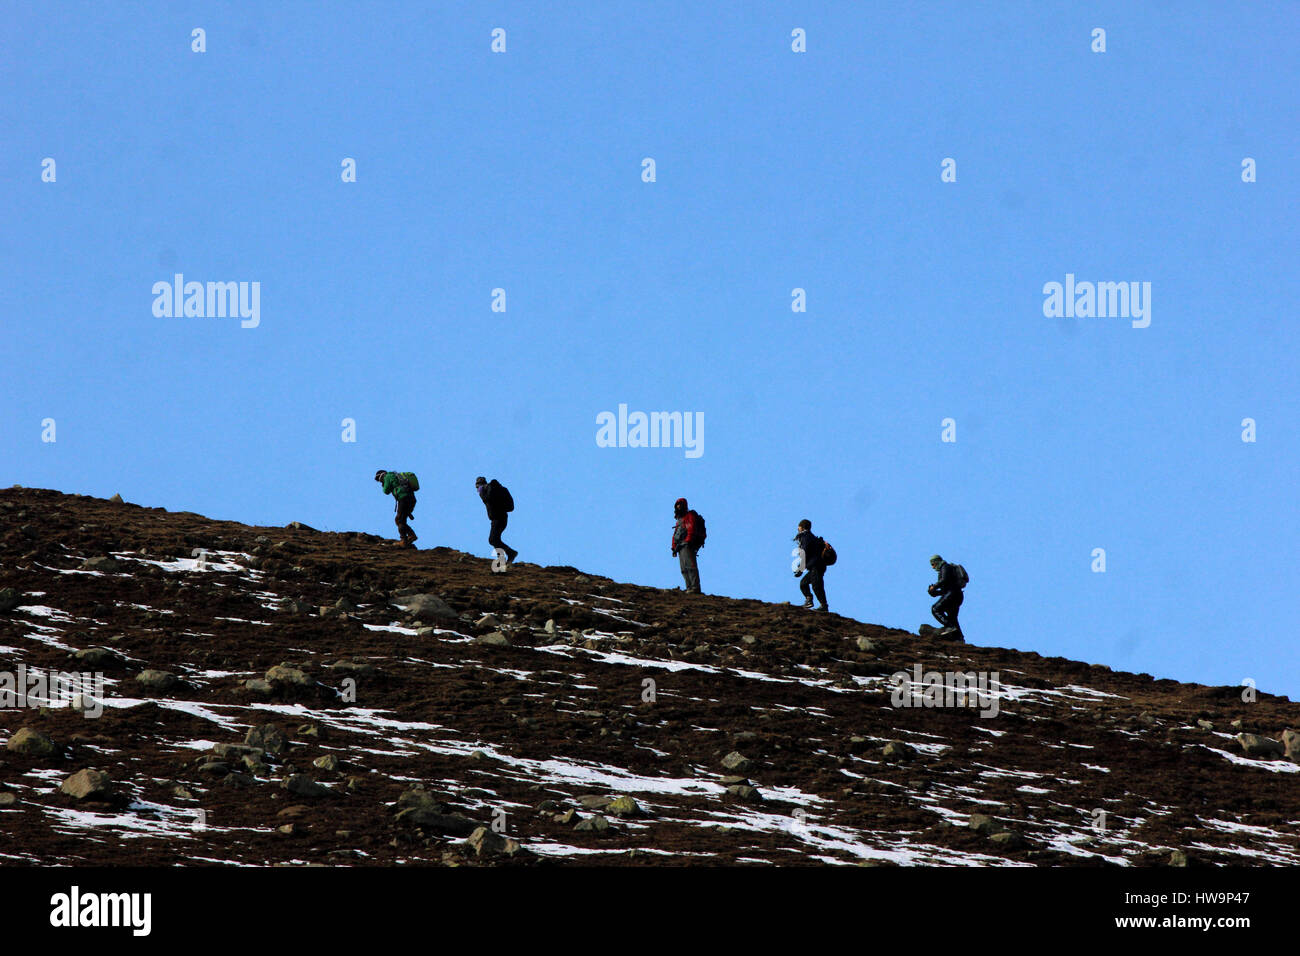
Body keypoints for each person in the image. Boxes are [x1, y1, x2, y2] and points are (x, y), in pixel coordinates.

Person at [476, 476, 517, 564]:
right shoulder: (496, 489)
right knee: (495, 539)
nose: (477, 490)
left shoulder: (485, 490)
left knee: (493, 539)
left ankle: (510, 553)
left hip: (498, 518)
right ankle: (502, 559)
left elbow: (487, 499)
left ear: (481, 485)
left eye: (477, 487)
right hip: (501, 518)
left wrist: (481, 491)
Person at [793, 519, 829, 612]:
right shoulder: (811, 537)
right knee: (804, 583)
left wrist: (800, 569)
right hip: (816, 565)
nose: (797, 529)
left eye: (798, 527)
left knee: (817, 586)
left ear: (801, 527)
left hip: (816, 566)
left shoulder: (805, 536)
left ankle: (823, 606)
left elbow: (805, 553)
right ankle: (809, 601)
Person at [375, 470, 417, 547]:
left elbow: (386, 491)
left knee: (399, 520)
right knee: (401, 519)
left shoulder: (387, 476)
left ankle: (404, 540)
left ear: (381, 476)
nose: (380, 482)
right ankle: (411, 536)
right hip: (411, 499)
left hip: (403, 499)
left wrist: (384, 484)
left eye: (379, 480)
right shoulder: (395, 476)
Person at [671, 497, 704, 594]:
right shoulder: (679, 520)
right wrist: (673, 547)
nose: (678, 506)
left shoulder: (689, 516)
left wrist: (688, 540)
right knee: (684, 568)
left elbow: (691, 529)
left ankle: (695, 587)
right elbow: (675, 534)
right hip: (680, 546)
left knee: (690, 566)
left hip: (687, 544)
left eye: (680, 504)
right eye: (677, 505)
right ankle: (689, 587)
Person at [927, 554, 964, 637]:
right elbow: (945, 589)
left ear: (936, 562)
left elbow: (944, 580)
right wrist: (935, 593)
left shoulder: (945, 567)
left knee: (935, 609)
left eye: (933, 564)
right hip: (956, 595)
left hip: (953, 594)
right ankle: (958, 638)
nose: (933, 567)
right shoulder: (945, 569)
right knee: (952, 618)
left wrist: (934, 587)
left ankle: (950, 627)